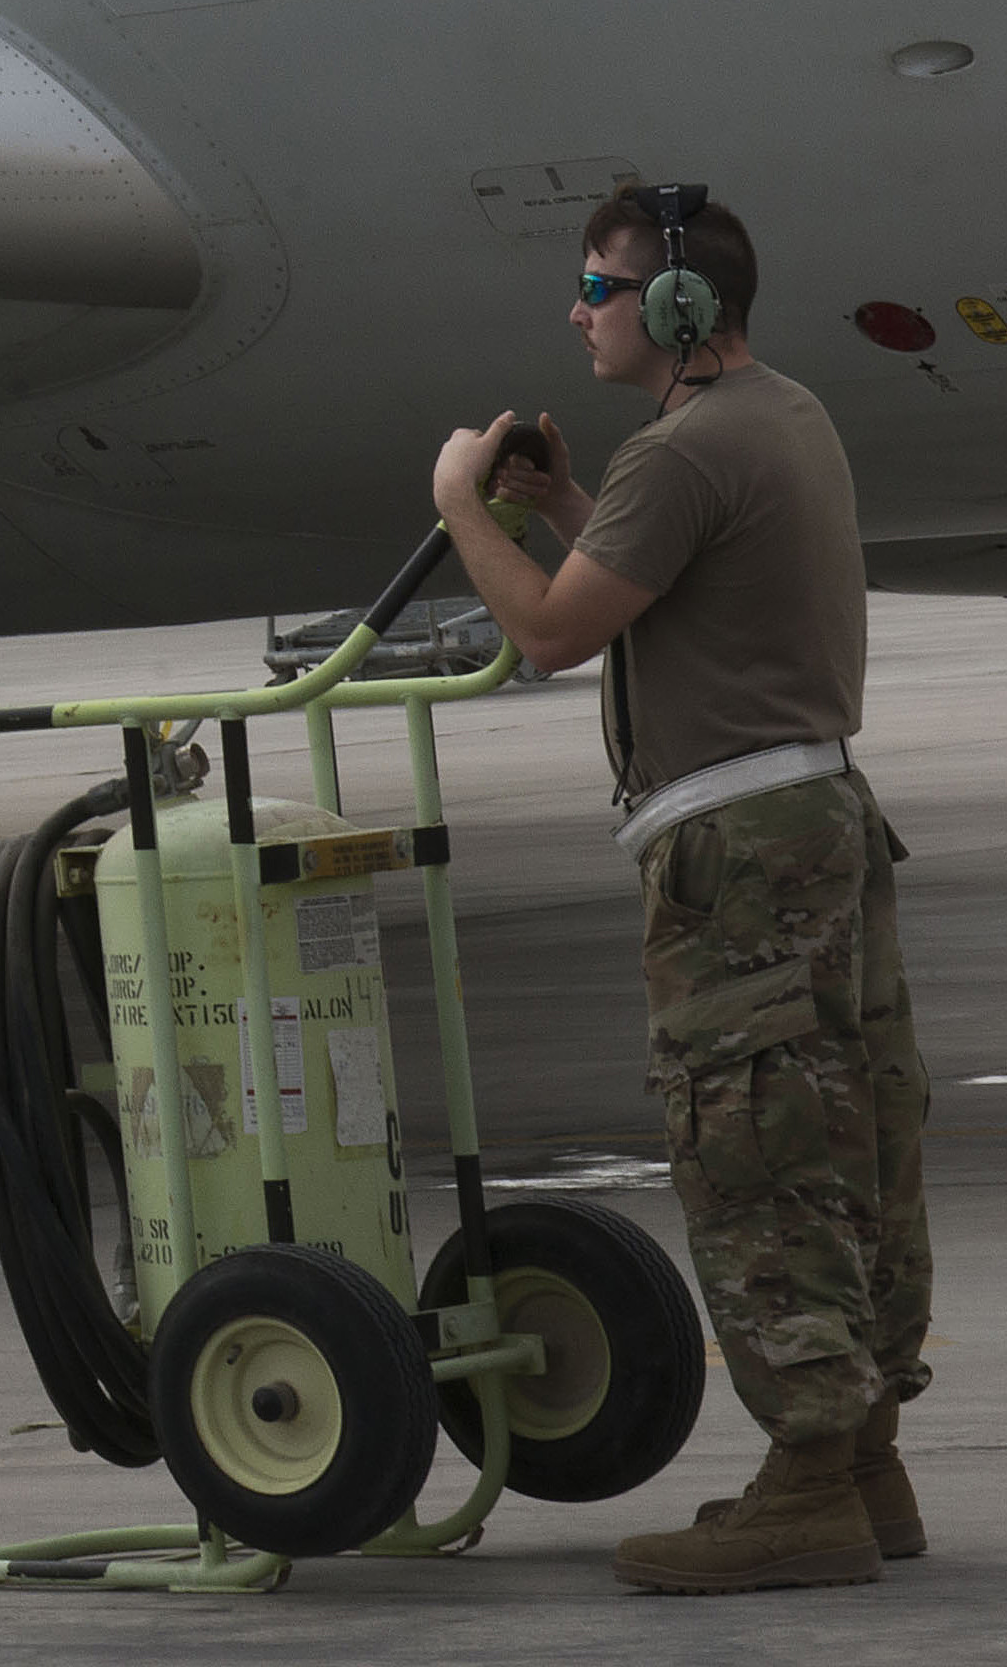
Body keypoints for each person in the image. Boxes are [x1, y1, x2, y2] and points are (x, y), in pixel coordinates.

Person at [429, 180, 928, 1594]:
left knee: (754, 1154)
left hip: (738, 854)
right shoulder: (779, 418)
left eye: (594, 287)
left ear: (672, 306)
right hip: (818, 815)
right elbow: (685, 586)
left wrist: (466, 505)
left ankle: (812, 1480)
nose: (576, 313)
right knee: (848, 1141)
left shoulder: (686, 452)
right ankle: (861, 1462)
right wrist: (572, 506)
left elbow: (547, 636)